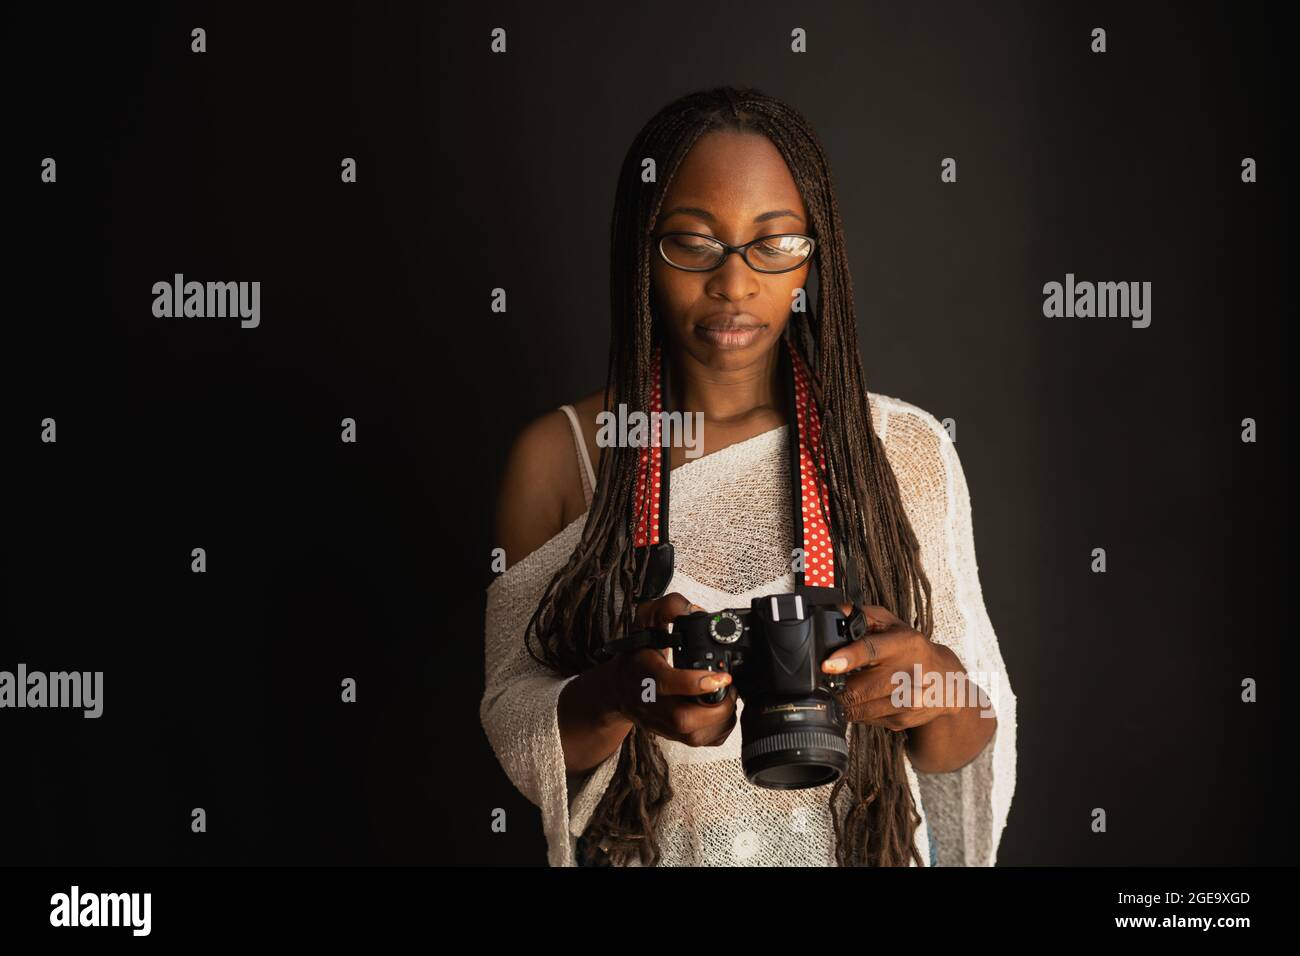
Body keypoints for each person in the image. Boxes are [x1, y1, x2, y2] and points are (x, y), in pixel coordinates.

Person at [481, 86, 1016, 867]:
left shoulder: (899, 447)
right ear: (642, 250)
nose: (734, 284)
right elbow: (515, 730)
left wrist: (925, 681)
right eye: (692, 244)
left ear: (815, 253)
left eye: (774, 244)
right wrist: (622, 692)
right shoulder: (562, 455)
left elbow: (962, 742)